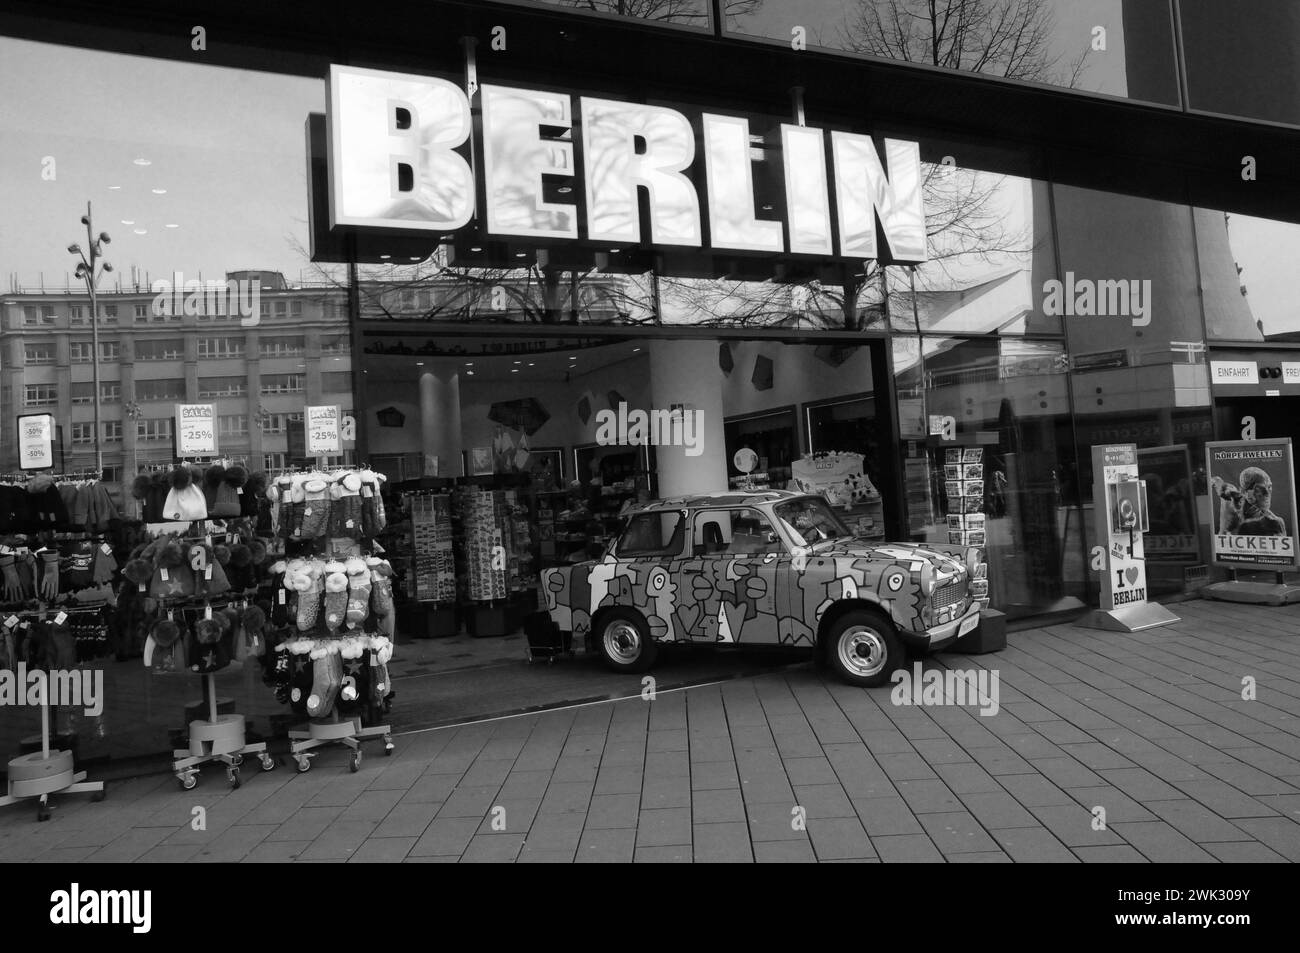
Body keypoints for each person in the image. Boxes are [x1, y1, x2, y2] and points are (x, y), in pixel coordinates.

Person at [1215, 466, 1287, 536]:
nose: (1267, 493)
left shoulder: (1275, 522)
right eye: (1259, 490)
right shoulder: (1231, 501)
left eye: (1269, 487)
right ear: (1244, 492)